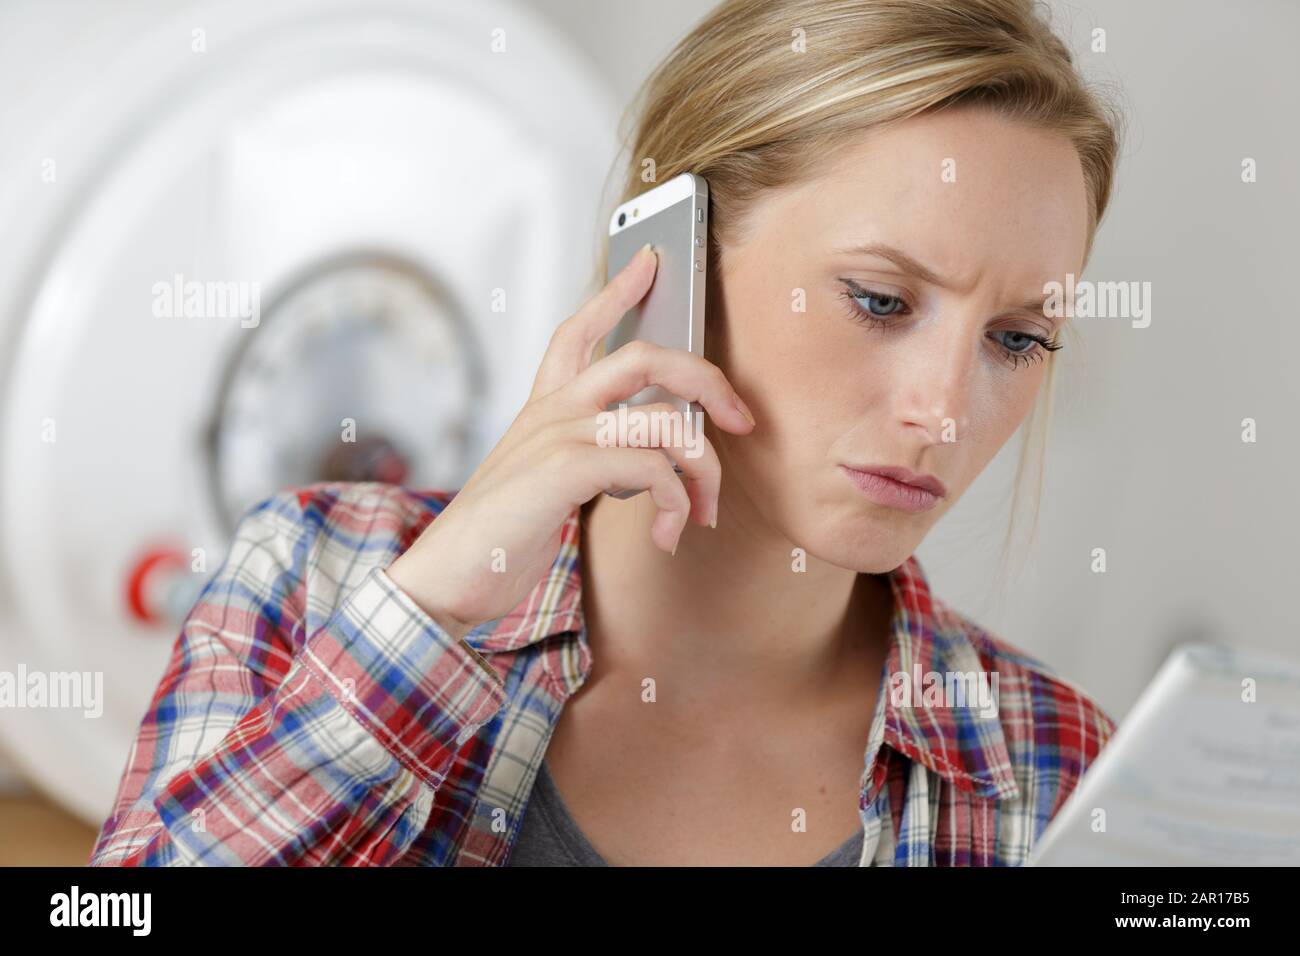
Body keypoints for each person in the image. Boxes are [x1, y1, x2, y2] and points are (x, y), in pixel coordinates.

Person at [90, 0, 1121, 867]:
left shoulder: (1058, 770)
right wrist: (427, 616)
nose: (942, 409)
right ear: (670, 259)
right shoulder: (312, 580)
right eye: (881, 301)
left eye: (1017, 339)